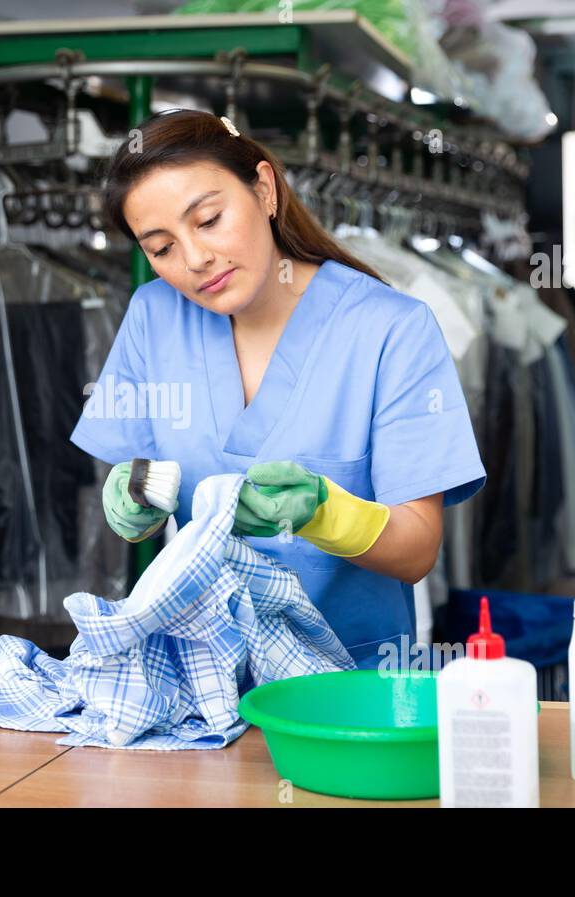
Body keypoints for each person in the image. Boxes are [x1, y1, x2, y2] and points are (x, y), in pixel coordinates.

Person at [71, 109, 487, 669]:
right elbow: (140, 476)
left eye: (210, 219)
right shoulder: (153, 315)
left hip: (346, 682)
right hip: (200, 671)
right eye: (161, 248)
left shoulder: (390, 329)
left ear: (264, 189)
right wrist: (134, 503)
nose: (195, 260)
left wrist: (323, 513)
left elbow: (417, 550)